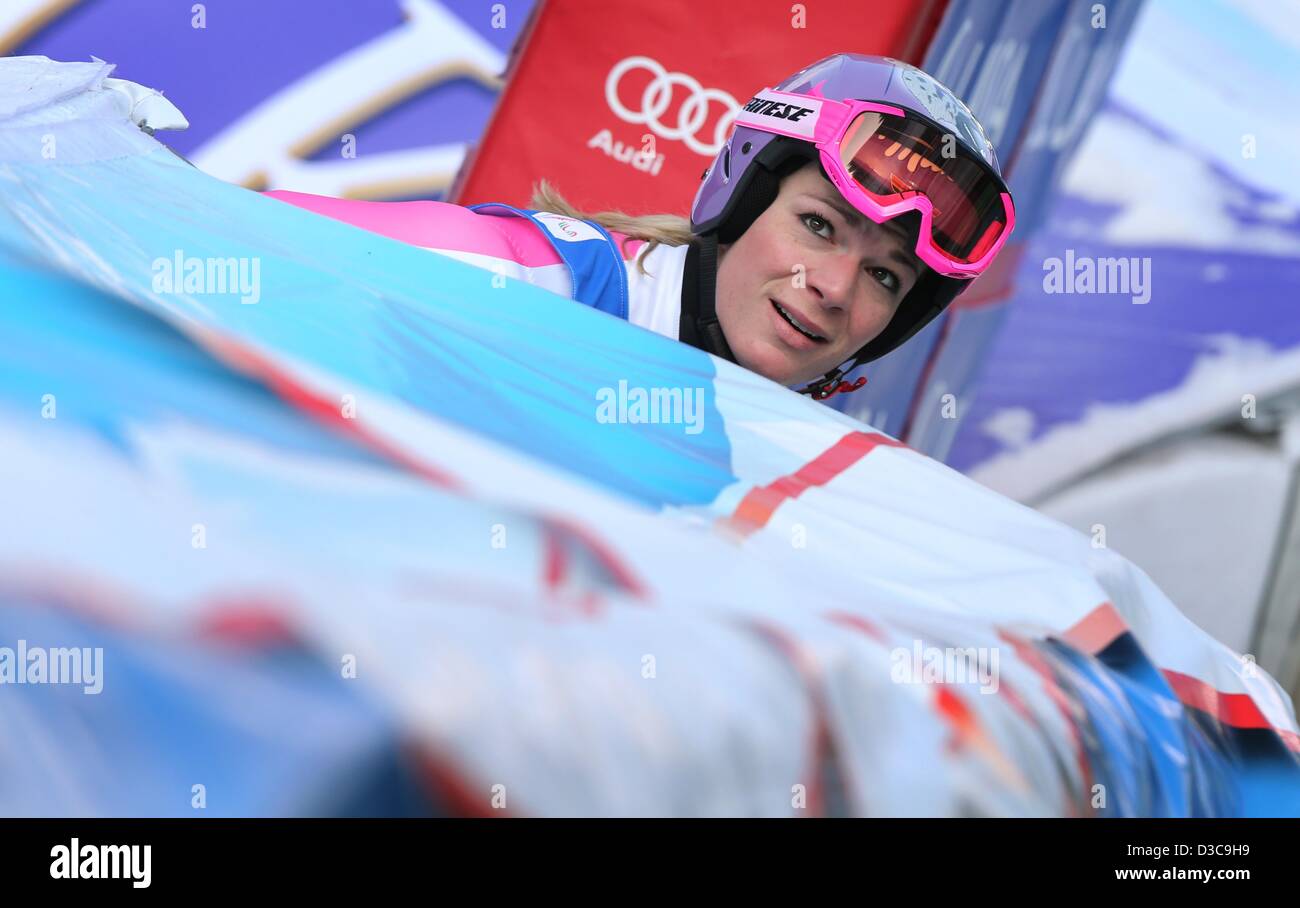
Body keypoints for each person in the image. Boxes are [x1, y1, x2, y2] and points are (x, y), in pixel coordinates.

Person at [269, 53, 1014, 400]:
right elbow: (249, 245)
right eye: (818, 226)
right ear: (741, 197)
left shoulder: (823, 471)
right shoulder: (545, 280)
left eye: (886, 275)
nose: (832, 286)